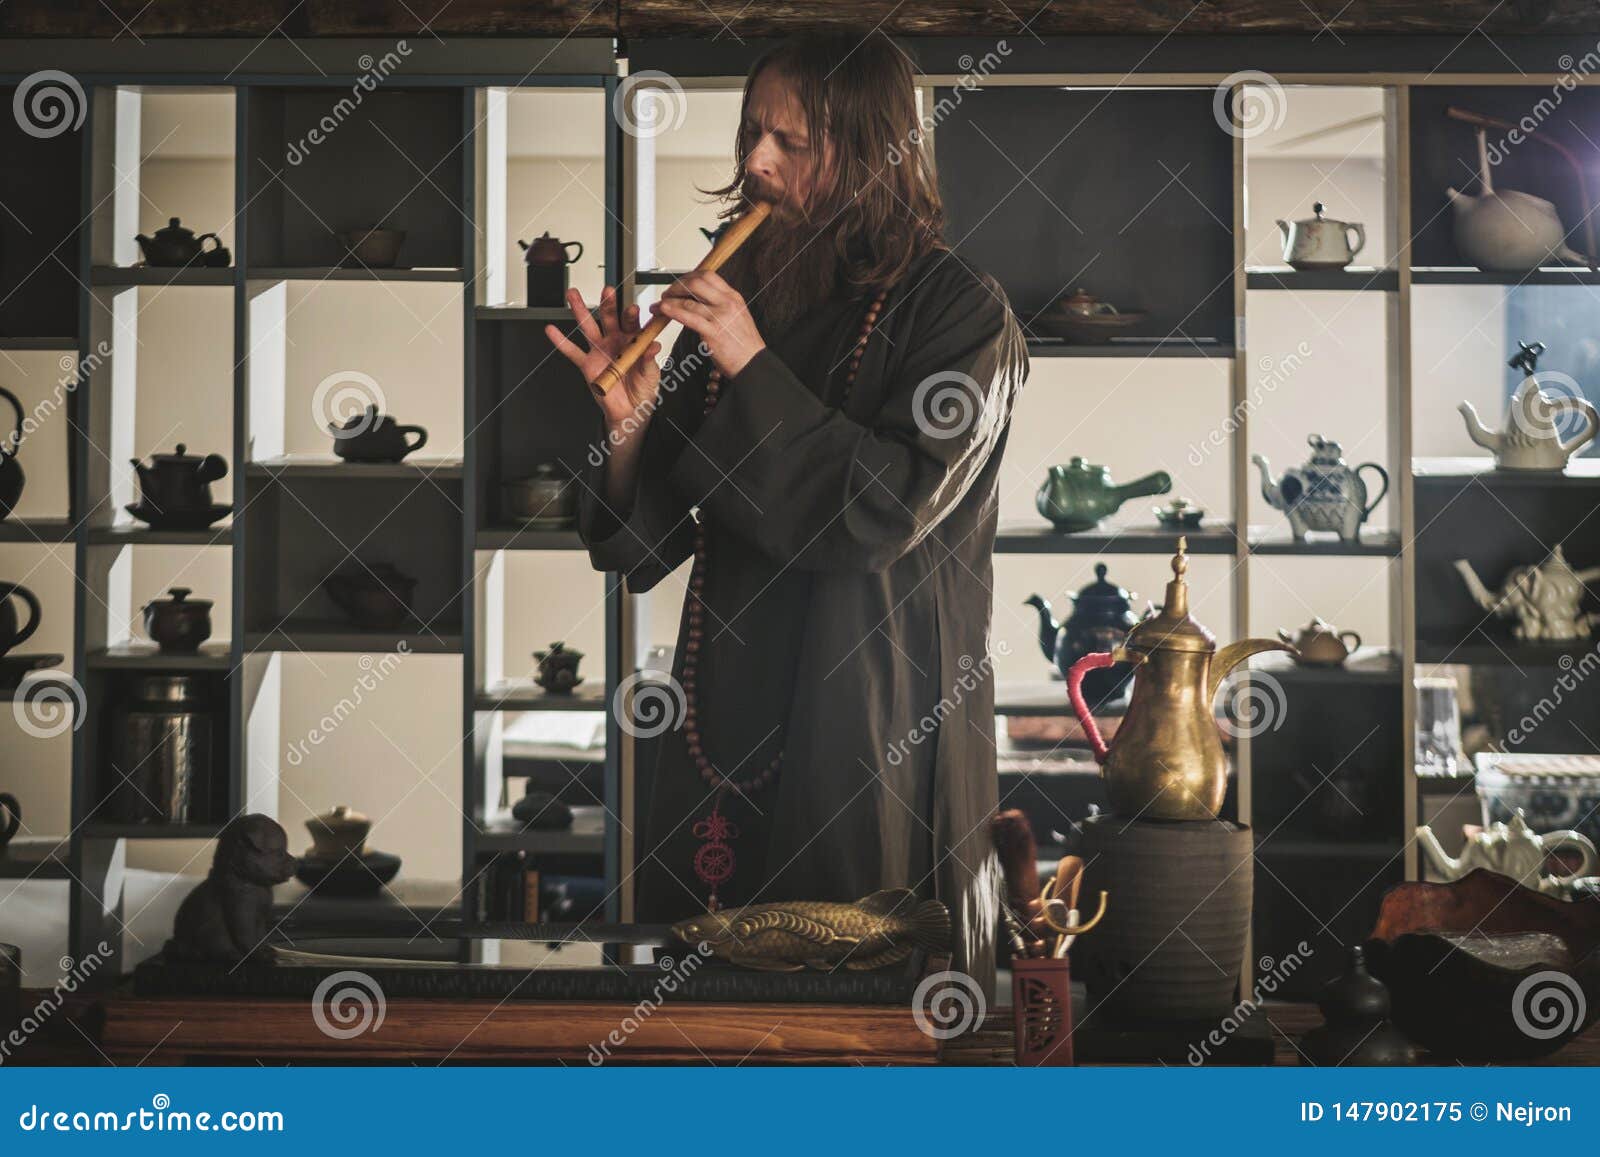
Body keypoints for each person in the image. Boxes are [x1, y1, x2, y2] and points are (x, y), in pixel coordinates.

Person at [547, 33, 1028, 996]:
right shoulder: (753, 287)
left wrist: (749, 361)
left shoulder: (963, 314)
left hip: (877, 711)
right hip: (725, 705)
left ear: (873, 152)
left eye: (792, 143)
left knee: (865, 1014)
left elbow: (883, 510)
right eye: (752, 134)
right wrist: (632, 423)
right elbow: (646, 545)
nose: (757, 164)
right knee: (712, 1016)